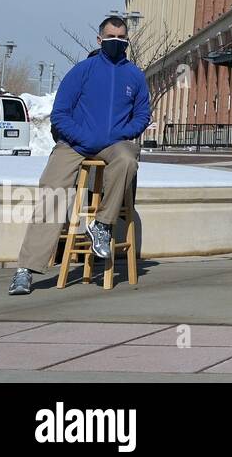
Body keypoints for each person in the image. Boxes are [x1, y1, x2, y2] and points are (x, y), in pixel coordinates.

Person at [9, 16, 150, 296]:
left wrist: (123, 133)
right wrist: (84, 137)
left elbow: (143, 114)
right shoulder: (82, 71)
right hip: (75, 142)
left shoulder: (134, 75)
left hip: (113, 144)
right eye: (111, 38)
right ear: (99, 40)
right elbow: (59, 114)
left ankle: (101, 225)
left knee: (127, 160)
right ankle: (26, 269)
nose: (117, 43)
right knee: (53, 190)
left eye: (122, 39)